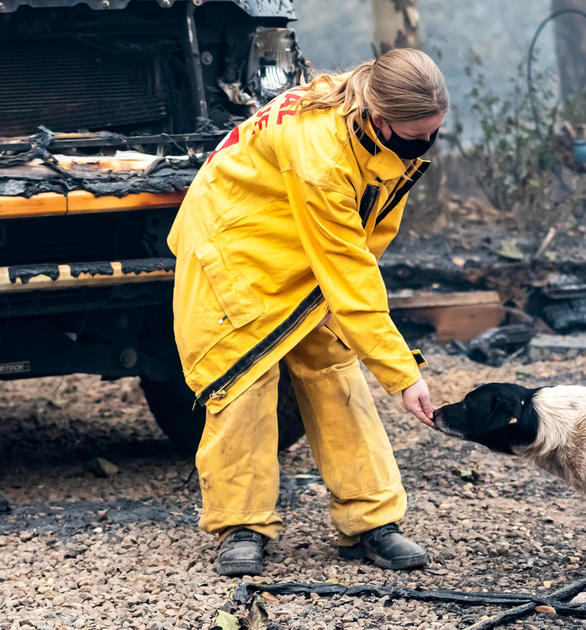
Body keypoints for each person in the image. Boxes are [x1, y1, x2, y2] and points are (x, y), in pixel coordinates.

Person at [166, 47, 448, 576]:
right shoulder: (321, 151)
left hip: (303, 244)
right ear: (381, 118)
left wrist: (347, 316)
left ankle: (371, 521)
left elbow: (366, 236)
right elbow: (347, 264)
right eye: (416, 136)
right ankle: (241, 525)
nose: (424, 146)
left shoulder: (377, 122)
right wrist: (402, 372)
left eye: (433, 134)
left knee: (334, 367)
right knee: (244, 379)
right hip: (233, 250)